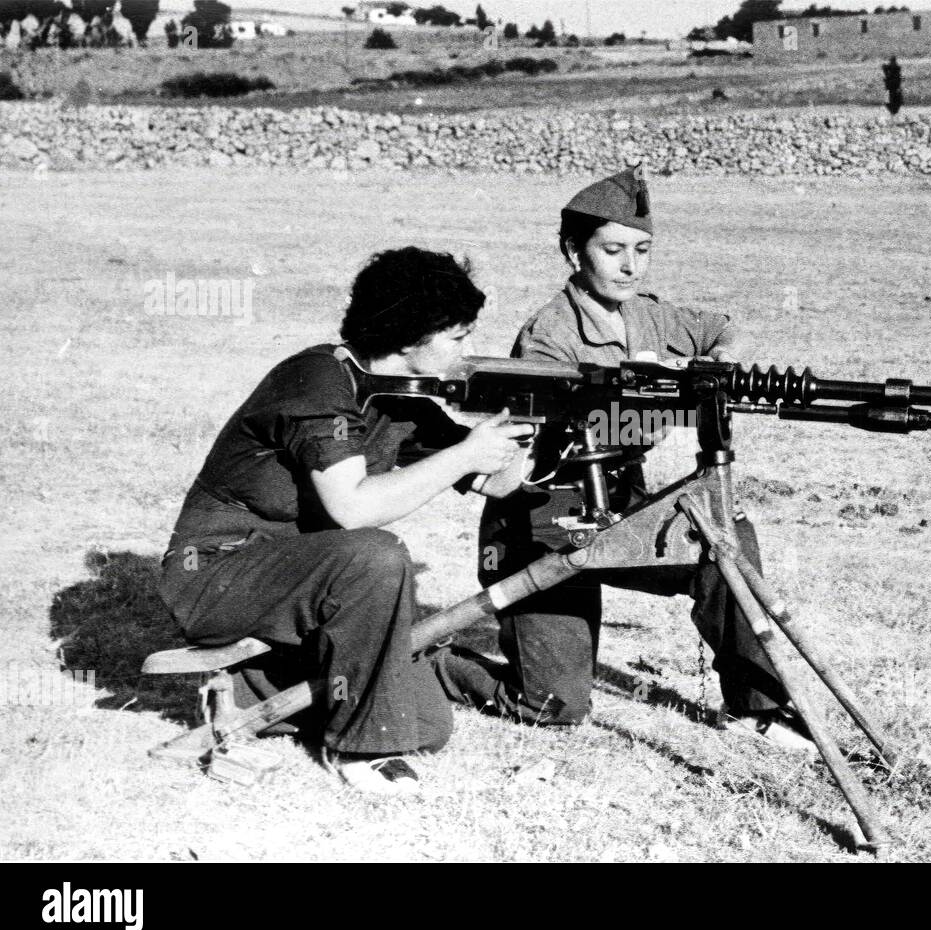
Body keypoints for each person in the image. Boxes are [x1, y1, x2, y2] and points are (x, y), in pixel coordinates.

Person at [436, 168, 815, 751]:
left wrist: (706, 369)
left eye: (642, 250)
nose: (630, 266)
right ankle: (431, 663)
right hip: (542, 516)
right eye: (612, 250)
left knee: (725, 540)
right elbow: (521, 452)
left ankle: (755, 707)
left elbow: (725, 332)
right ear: (573, 251)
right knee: (552, 706)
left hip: (622, 497)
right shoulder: (548, 335)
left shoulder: (654, 317)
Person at [158, 248, 533, 795]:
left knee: (430, 724)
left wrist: (535, 434)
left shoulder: (399, 394)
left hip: (296, 578)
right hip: (216, 572)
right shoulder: (315, 381)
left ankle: (251, 688)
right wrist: (465, 453)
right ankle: (362, 748)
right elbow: (353, 508)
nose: (468, 351)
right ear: (410, 337)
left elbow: (495, 482)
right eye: (458, 336)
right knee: (375, 554)